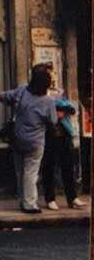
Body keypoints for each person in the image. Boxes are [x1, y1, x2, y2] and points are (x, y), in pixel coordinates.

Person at [0, 64, 57, 214]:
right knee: (31, 172)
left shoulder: (22, 90)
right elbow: (53, 121)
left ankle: (22, 200)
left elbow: (7, 95)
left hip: (18, 137)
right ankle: (29, 204)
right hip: (35, 141)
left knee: (20, 171)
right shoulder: (48, 101)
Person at [41, 67, 87, 211]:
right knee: (49, 167)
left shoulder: (58, 93)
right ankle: (50, 198)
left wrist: (62, 110)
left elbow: (71, 109)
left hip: (63, 134)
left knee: (67, 166)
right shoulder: (39, 94)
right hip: (47, 135)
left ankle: (72, 197)